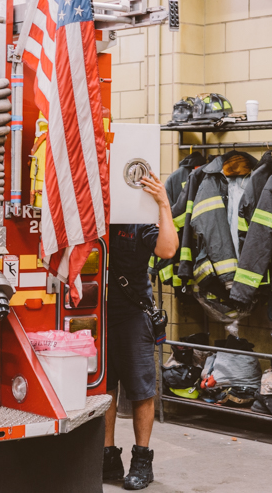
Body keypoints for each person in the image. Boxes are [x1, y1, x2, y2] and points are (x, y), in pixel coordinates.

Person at [103, 171, 178, 490]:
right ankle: (107, 458)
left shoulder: (139, 216)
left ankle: (141, 461)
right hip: (99, 312)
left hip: (134, 314)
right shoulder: (99, 213)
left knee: (141, 388)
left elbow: (168, 250)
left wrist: (162, 202)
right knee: (104, 387)